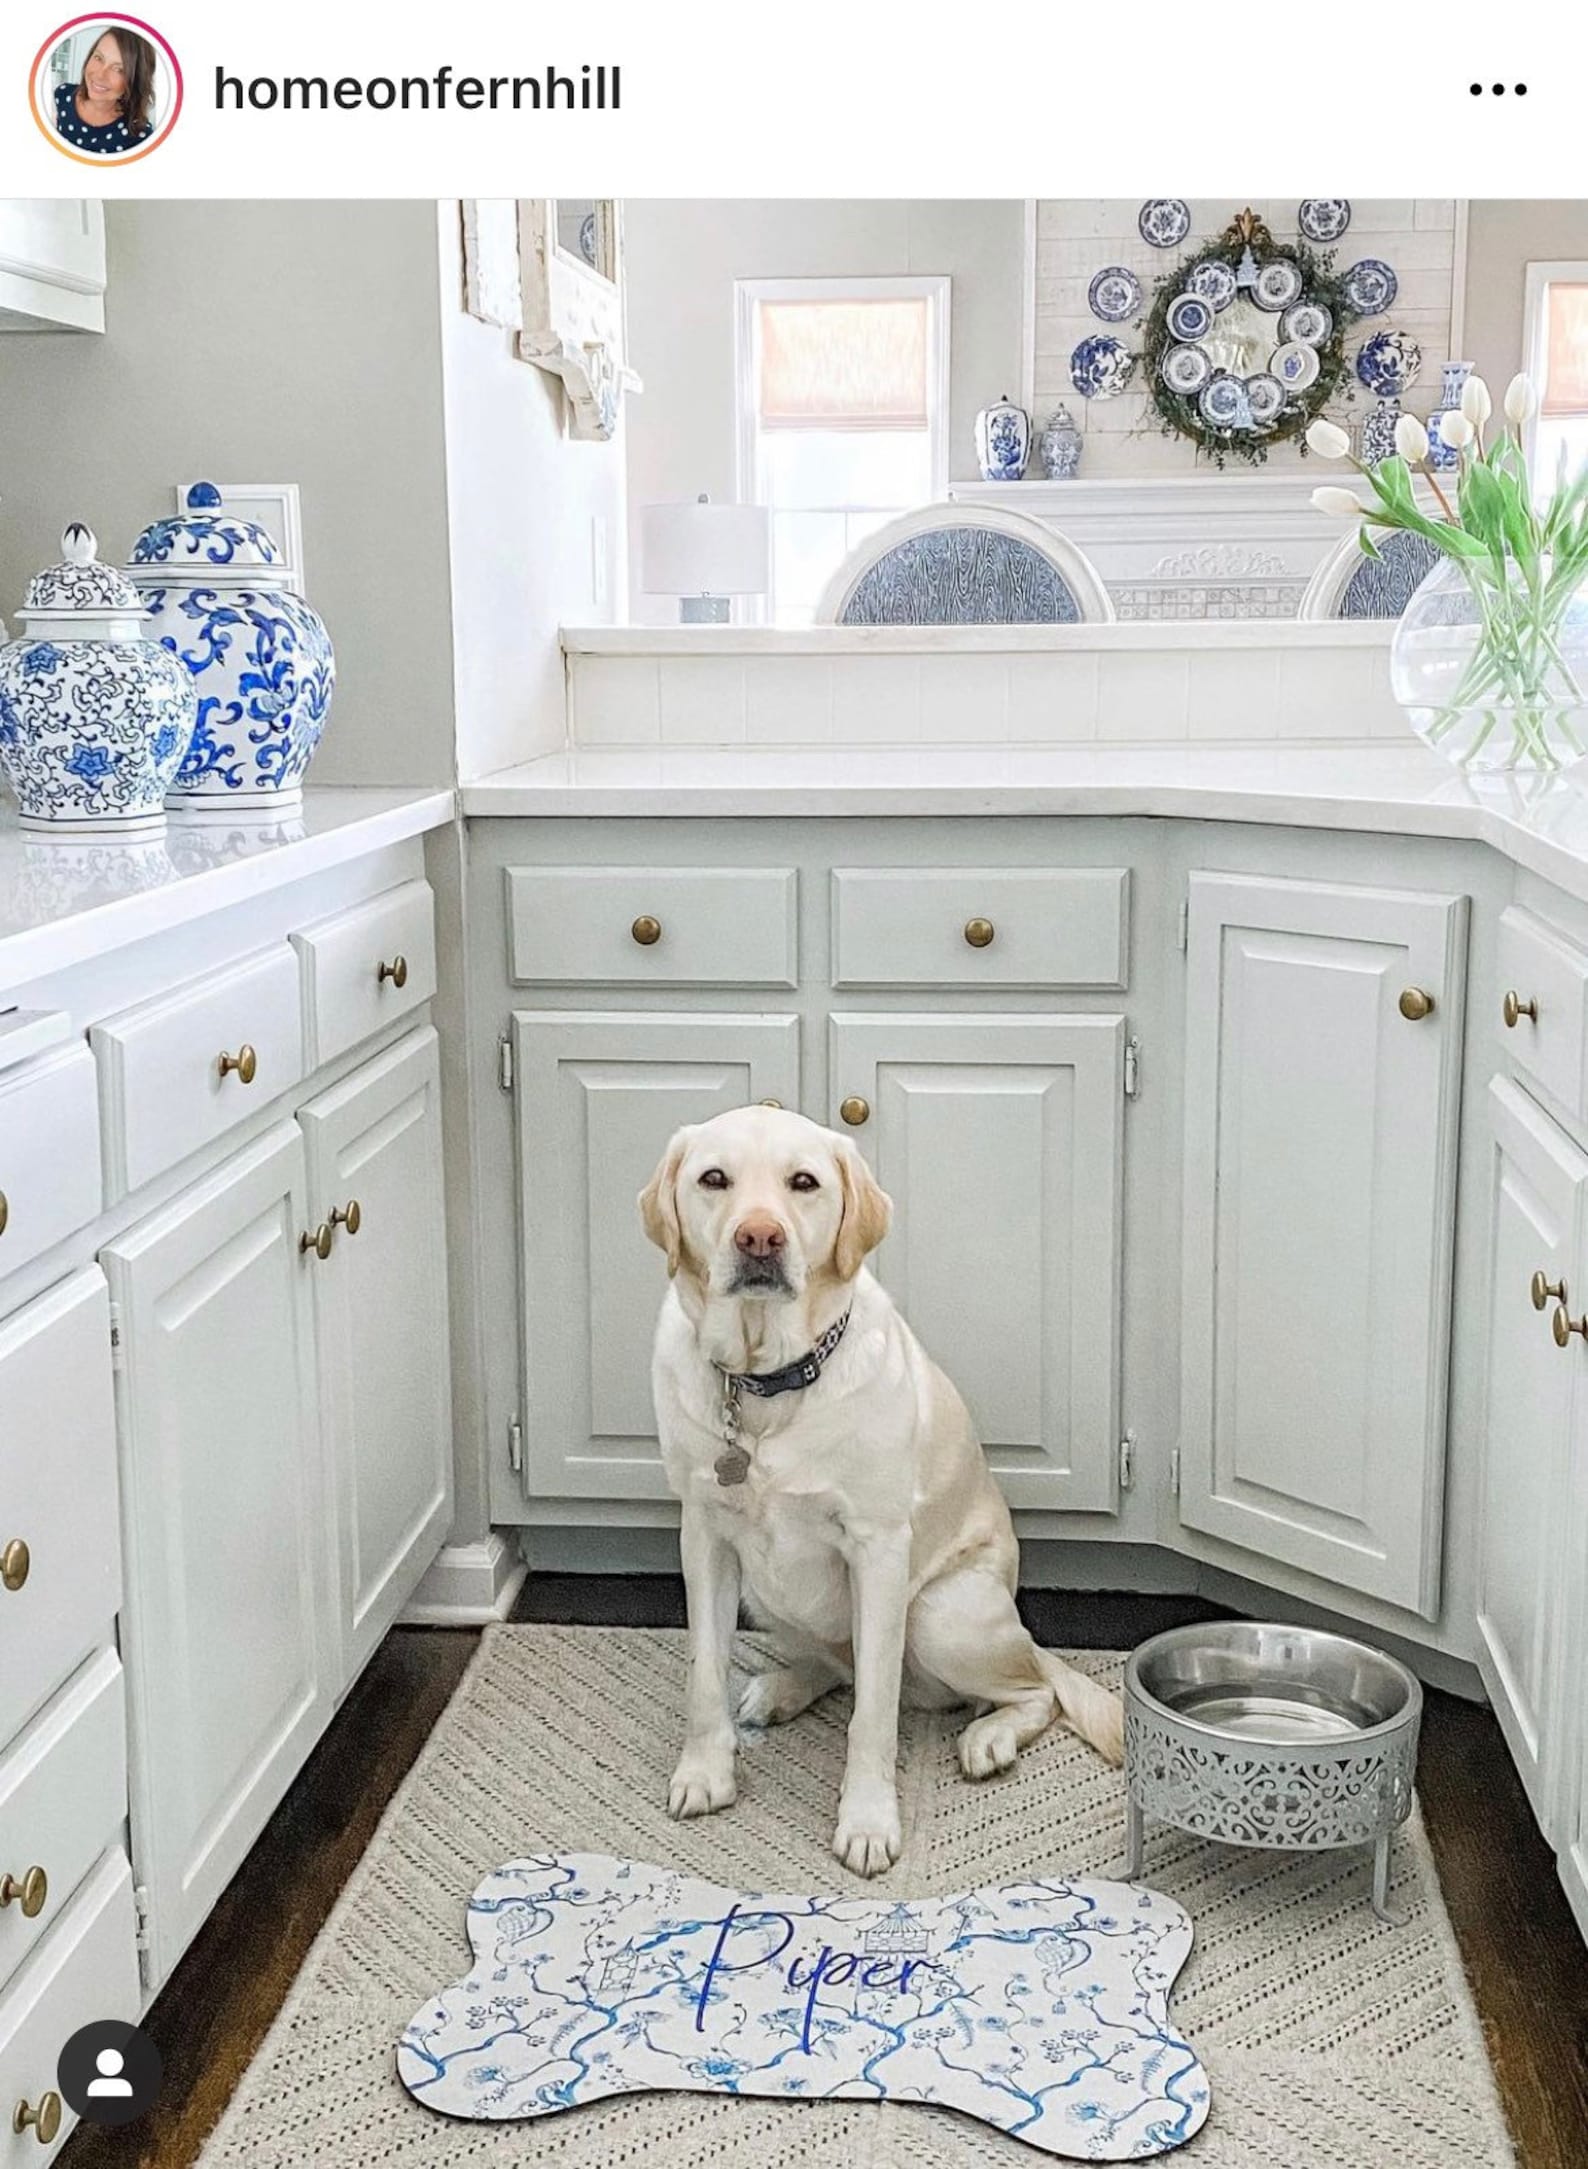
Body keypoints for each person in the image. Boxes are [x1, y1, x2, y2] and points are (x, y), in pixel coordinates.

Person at [53, 26, 156, 155]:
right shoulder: (62, 95)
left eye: (118, 69)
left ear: (136, 80)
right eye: (99, 58)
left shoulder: (140, 138)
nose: (100, 75)